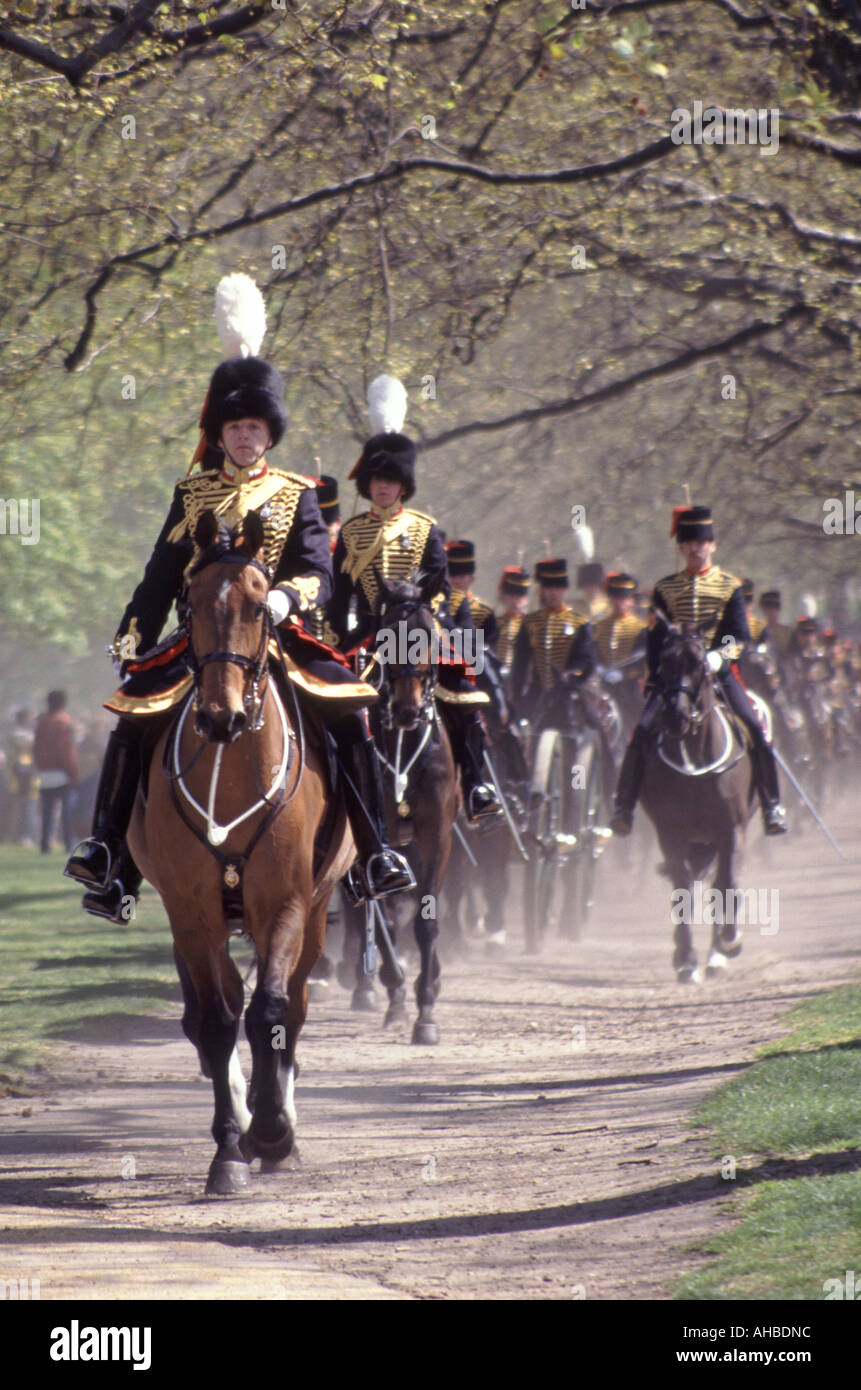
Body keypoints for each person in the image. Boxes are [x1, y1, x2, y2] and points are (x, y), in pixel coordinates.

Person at [65, 339, 414, 920]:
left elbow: (319, 573)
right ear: (220, 435)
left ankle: (374, 853)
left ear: (268, 434)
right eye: (234, 427)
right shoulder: (190, 494)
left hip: (276, 635)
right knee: (133, 717)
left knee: (350, 714)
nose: (244, 437)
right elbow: (158, 581)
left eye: (253, 427)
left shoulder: (296, 493)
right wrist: (130, 641)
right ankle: (111, 860)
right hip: (199, 642)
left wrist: (284, 597)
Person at [328, 376, 501, 823]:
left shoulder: (426, 529)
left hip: (419, 629)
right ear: (367, 484)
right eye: (376, 480)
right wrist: (340, 633)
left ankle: (478, 783)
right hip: (370, 633)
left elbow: (442, 585)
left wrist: (424, 617)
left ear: (403, 484)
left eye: (390, 480)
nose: (383, 487)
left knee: (464, 692)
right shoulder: (351, 532)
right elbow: (339, 593)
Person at [609, 506, 788, 837]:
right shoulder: (666, 588)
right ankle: (624, 806)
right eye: (688, 542)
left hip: (719, 675)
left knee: (754, 728)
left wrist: (720, 657)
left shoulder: (729, 587)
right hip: (675, 680)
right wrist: (655, 676)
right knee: (641, 734)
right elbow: (654, 638)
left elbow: (739, 635)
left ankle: (772, 804)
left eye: (701, 541)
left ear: (712, 545)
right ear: (681, 548)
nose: (695, 547)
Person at [510, 558, 596, 724]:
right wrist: (517, 695)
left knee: (595, 725)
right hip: (538, 691)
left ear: (565, 590)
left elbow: (586, 660)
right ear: (542, 590)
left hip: (570, 689)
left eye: (557, 587)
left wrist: (572, 675)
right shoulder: (530, 623)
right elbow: (520, 663)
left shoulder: (580, 622)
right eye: (548, 587)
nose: (553, 592)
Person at [34, 690, 79, 853]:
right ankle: (68, 843)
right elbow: (66, 750)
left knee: (47, 811)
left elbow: (37, 748)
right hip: (62, 772)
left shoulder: (41, 722)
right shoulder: (63, 722)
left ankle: (45, 843)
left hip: (45, 772)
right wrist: (73, 772)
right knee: (67, 811)